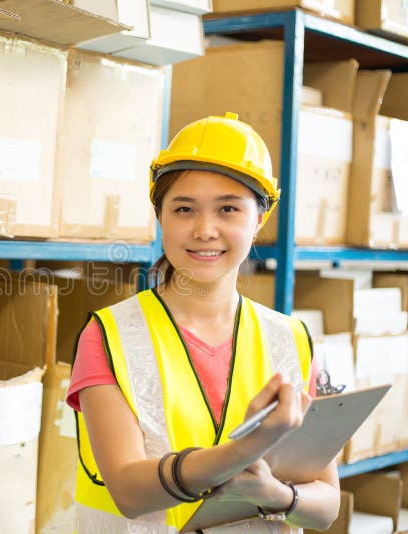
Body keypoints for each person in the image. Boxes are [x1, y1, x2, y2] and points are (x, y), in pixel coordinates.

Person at [66, 113, 340, 533]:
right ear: (161, 217)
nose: (205, 229)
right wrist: (245, 451)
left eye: (228, 209)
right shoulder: (109, 336)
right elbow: (128, 491)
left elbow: (326, 507)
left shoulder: (293, 340)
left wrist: (273, 495)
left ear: (260, 218)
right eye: (184, 209)